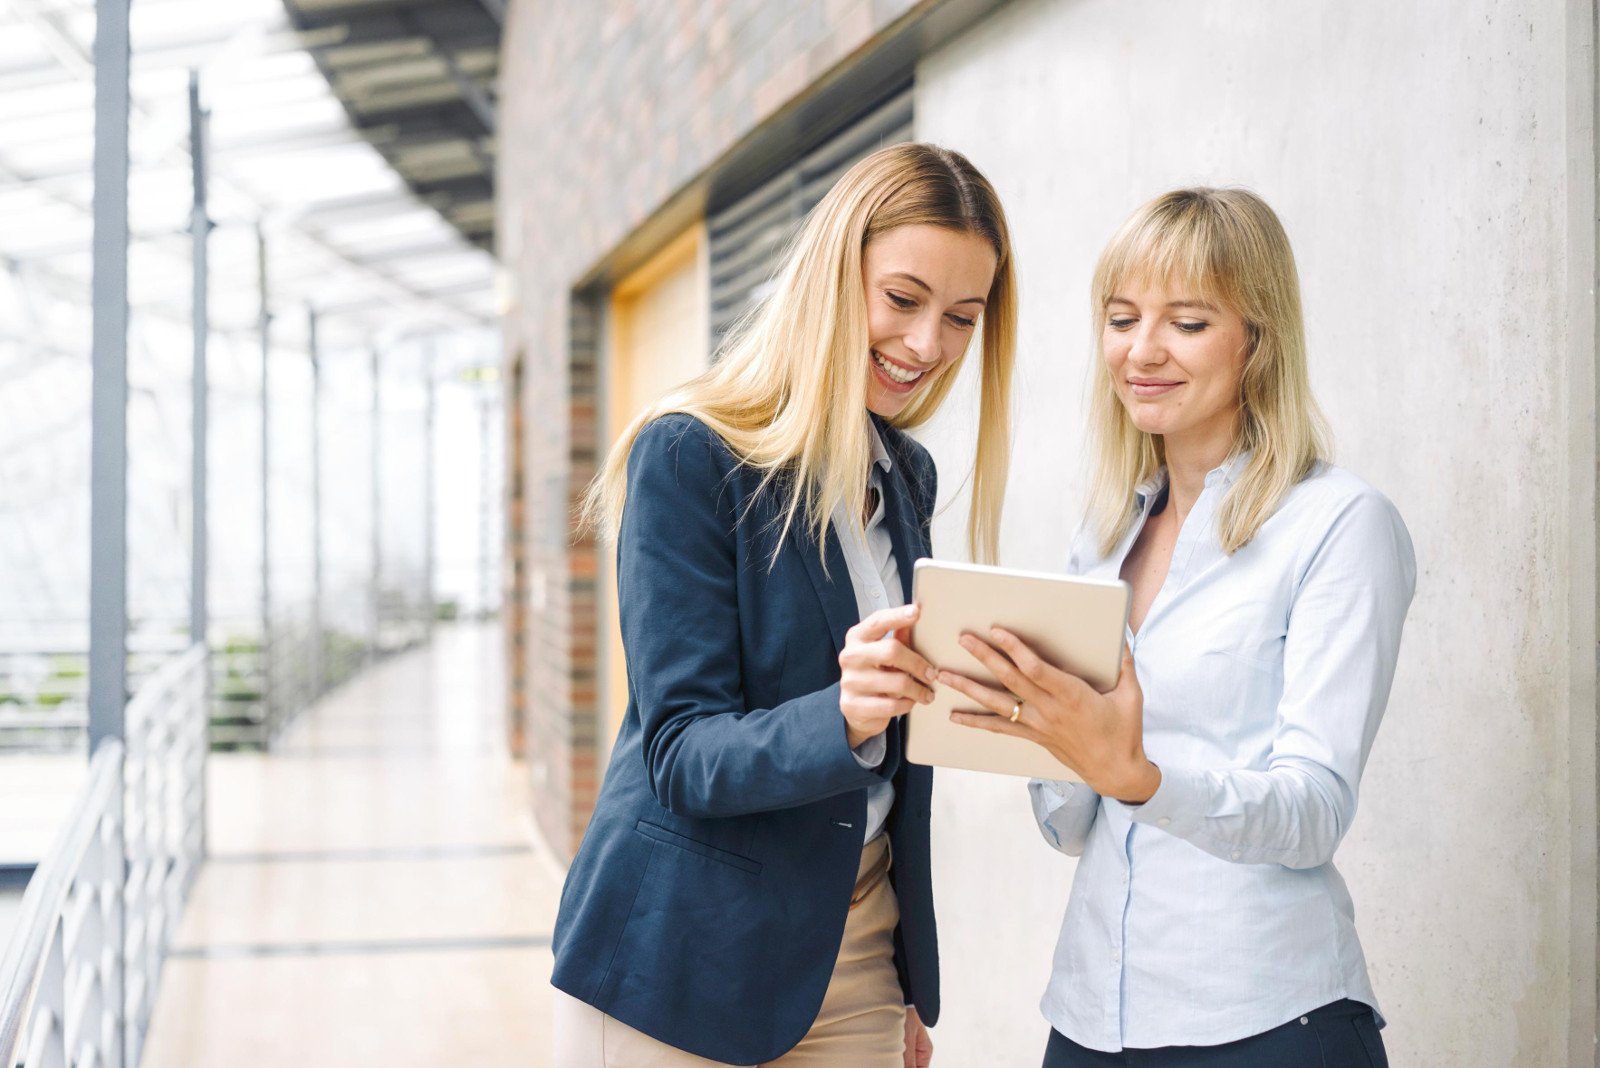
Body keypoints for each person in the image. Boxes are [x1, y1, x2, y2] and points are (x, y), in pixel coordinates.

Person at [550, 142, 1017, 1067]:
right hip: (680, 960)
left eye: (963, 317)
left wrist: (899, 978)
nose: (928, 346)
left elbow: (895, 773)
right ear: (832, 277)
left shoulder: (906, 474)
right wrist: (842, 715)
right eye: (903, 299)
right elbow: (681, 752)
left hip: (856, 958)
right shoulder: (692, 456)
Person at [940, 188, 1413, 1067]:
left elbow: (1314, 811)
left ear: (1257, 341)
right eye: (1122, 319)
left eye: (1187, 323)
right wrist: (1028, 723)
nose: (1141, 351)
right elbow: (1069, 824)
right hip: (1089, 1018)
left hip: (1267, 1019)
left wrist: (1142, 777)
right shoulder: (1105, 533)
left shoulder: (1340, 526)